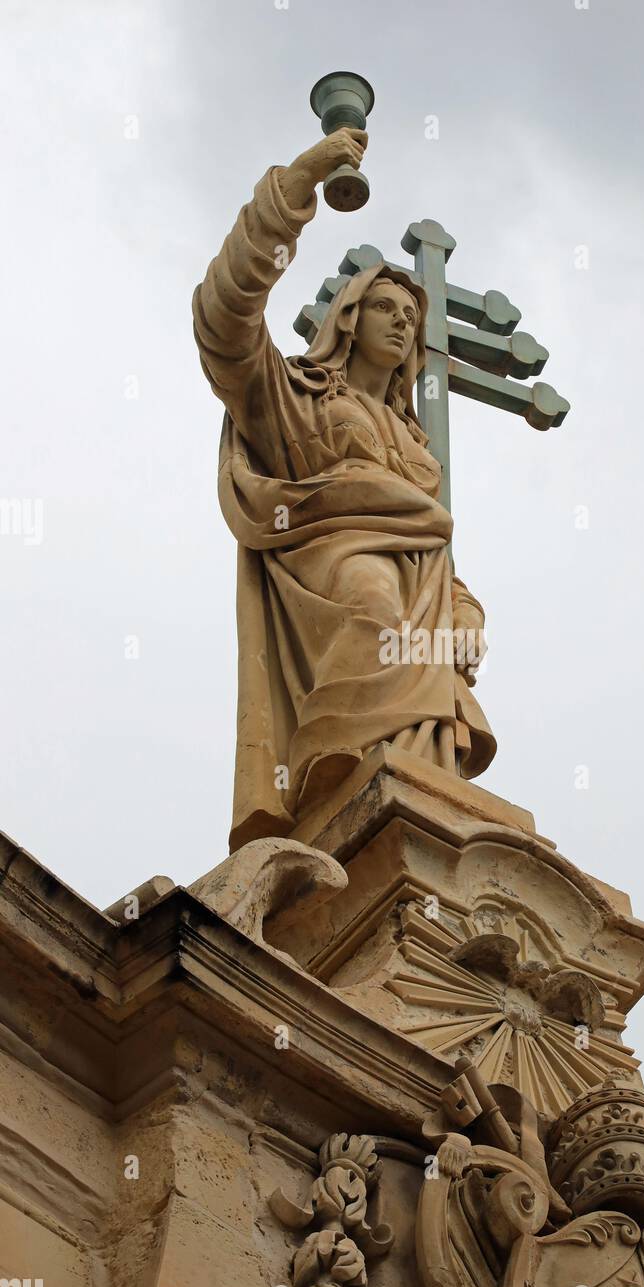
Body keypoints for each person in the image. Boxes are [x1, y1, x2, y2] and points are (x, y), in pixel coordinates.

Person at [193, 128, 495, 851]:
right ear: (351, 319)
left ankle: (410, 804)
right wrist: (297, 187)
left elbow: (433, 547)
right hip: (335, 568)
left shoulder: (415, 449)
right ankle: (339, 762)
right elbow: (224, 324)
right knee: (370, 606)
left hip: (423, 594)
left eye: (412, 316)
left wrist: (464, 609)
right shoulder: (301, 401)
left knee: (424, 768)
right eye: (388, 307)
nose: (404, 321)